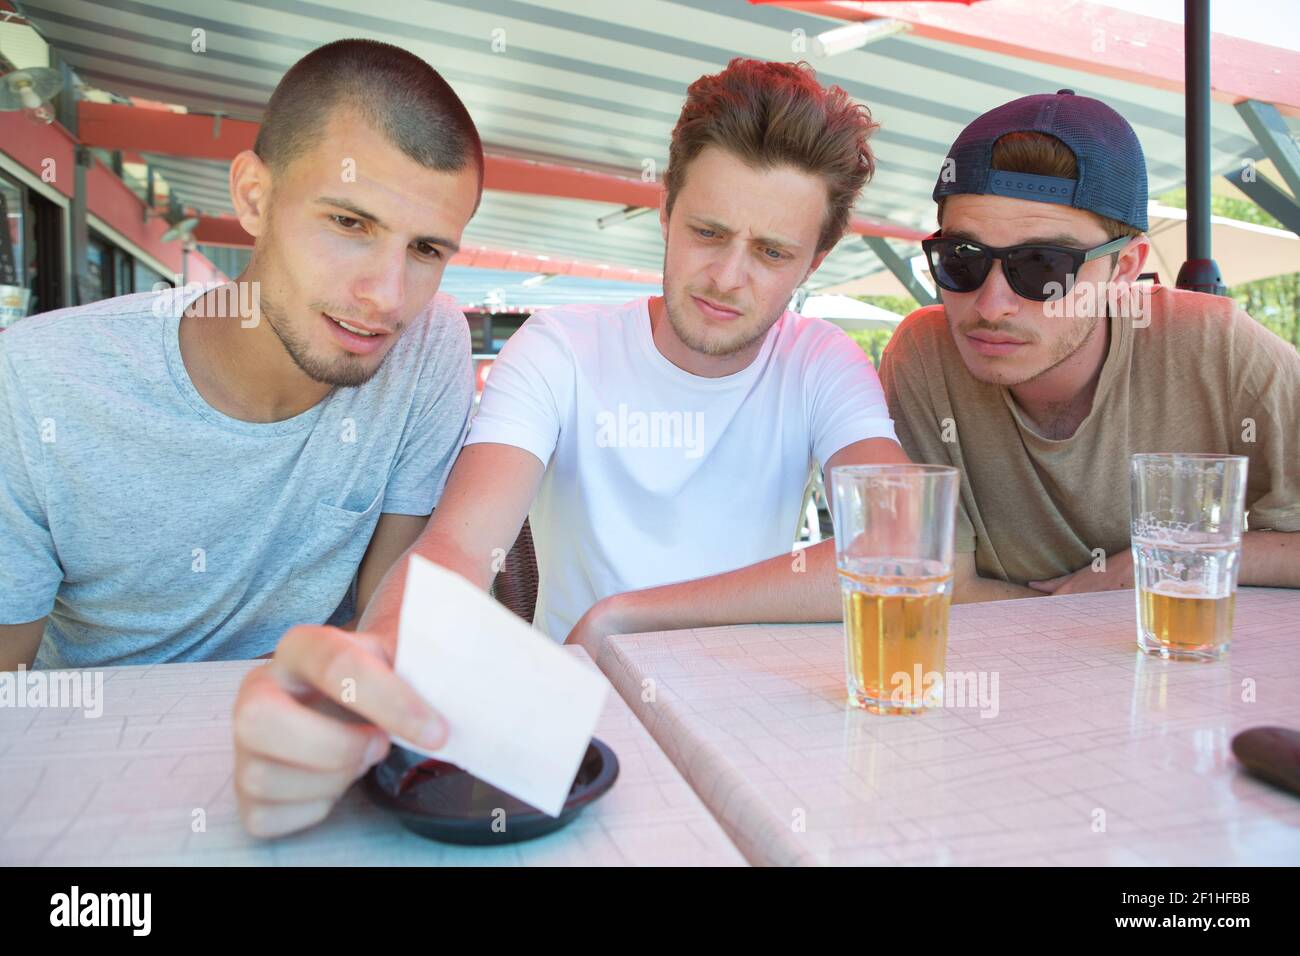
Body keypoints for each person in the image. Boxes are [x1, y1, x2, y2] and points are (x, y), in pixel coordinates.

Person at [233, 58, 911, 837]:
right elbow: (457, 544)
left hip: (755, 717)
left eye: (771, 253)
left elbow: (893, 545)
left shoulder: (823, 360)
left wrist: (630, 614)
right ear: (665, 213)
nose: (727, 277)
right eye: (708, 232)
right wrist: (370, 675)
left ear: (813, 261)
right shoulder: (562, 346)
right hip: (574, 723)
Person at [0, 39, 483, 668]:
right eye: (348, 223)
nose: (386, 299)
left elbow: (387, 623)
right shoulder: (36, 380)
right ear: (254, 197)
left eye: (426, 250)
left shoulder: (427, 341)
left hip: (316, 727)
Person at [877, 90, 1299, 603]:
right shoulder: (923, 356)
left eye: (1042, 267)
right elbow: (944, 585)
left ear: (1123, 269)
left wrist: (1149, 564)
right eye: (961, 257)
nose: (991, 305)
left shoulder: (1218, 345)